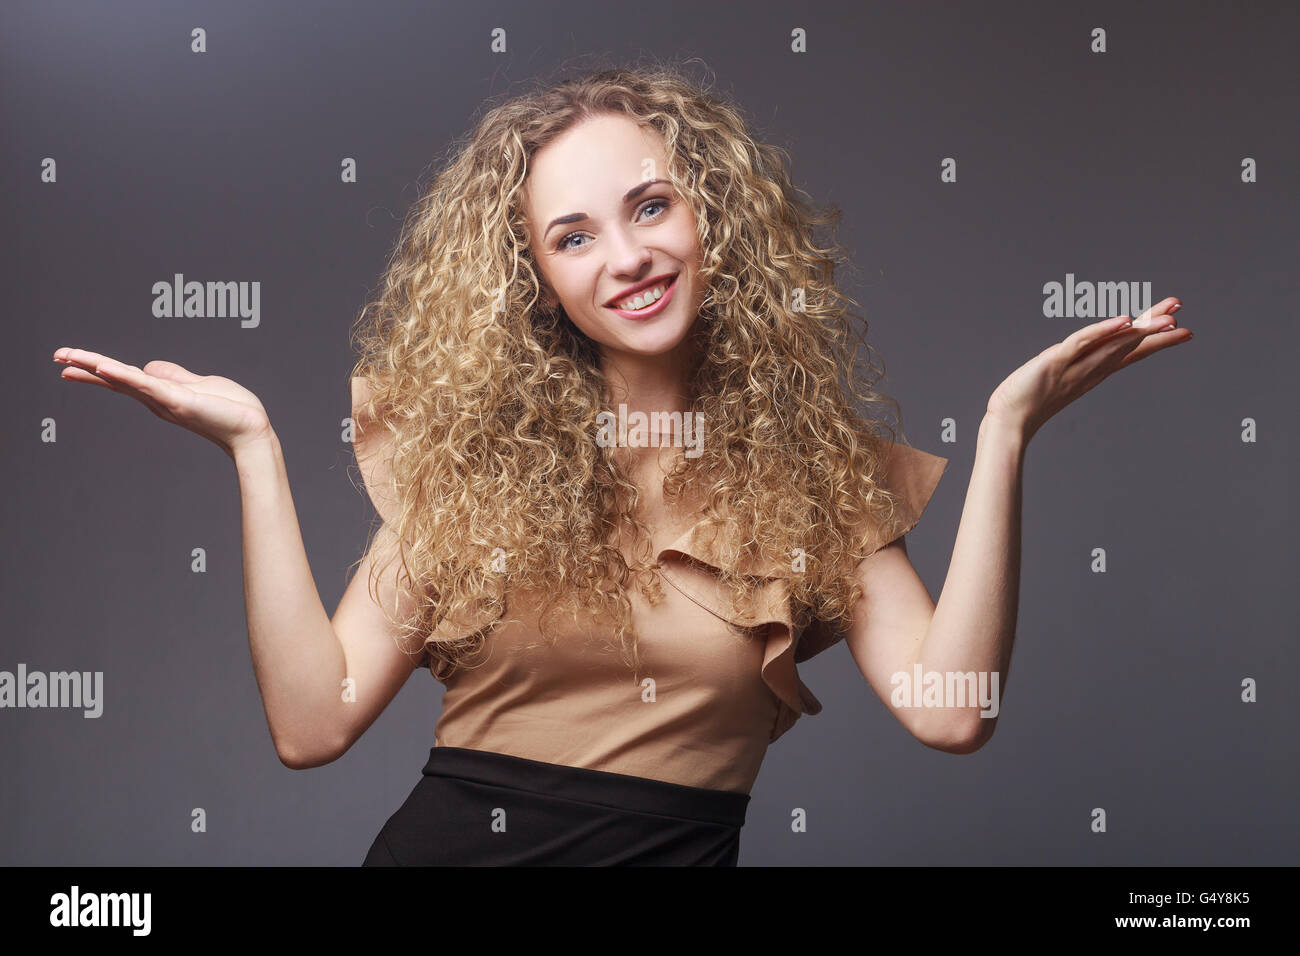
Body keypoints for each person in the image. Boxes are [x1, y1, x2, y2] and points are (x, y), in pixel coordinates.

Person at [50, 61, 1191, 866]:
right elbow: (312, 724)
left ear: (714, 222)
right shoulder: (477, 472)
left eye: (652, 205)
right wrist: (255, 450)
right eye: (574, 235)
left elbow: (952, 713)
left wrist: (1005, 435)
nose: (628, 255)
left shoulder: (810, 473)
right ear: (535, 283)